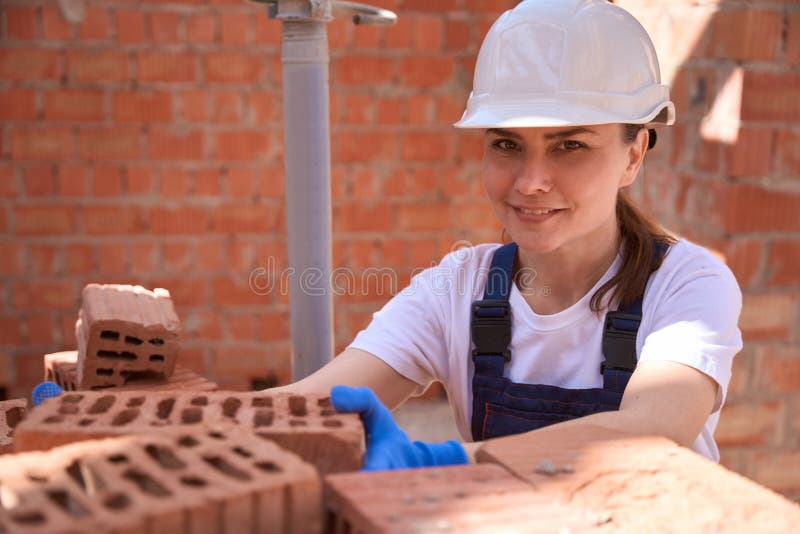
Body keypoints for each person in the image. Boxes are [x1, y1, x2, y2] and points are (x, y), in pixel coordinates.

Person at [276, 0, 743, 469]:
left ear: (634, 154)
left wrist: (446, 461)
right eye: (506, 144)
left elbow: (654, 431)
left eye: (570, 145)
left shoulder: (687, 284)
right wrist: (212, 424)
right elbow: (307, 406)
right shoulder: (458, 289)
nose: (529, 181)